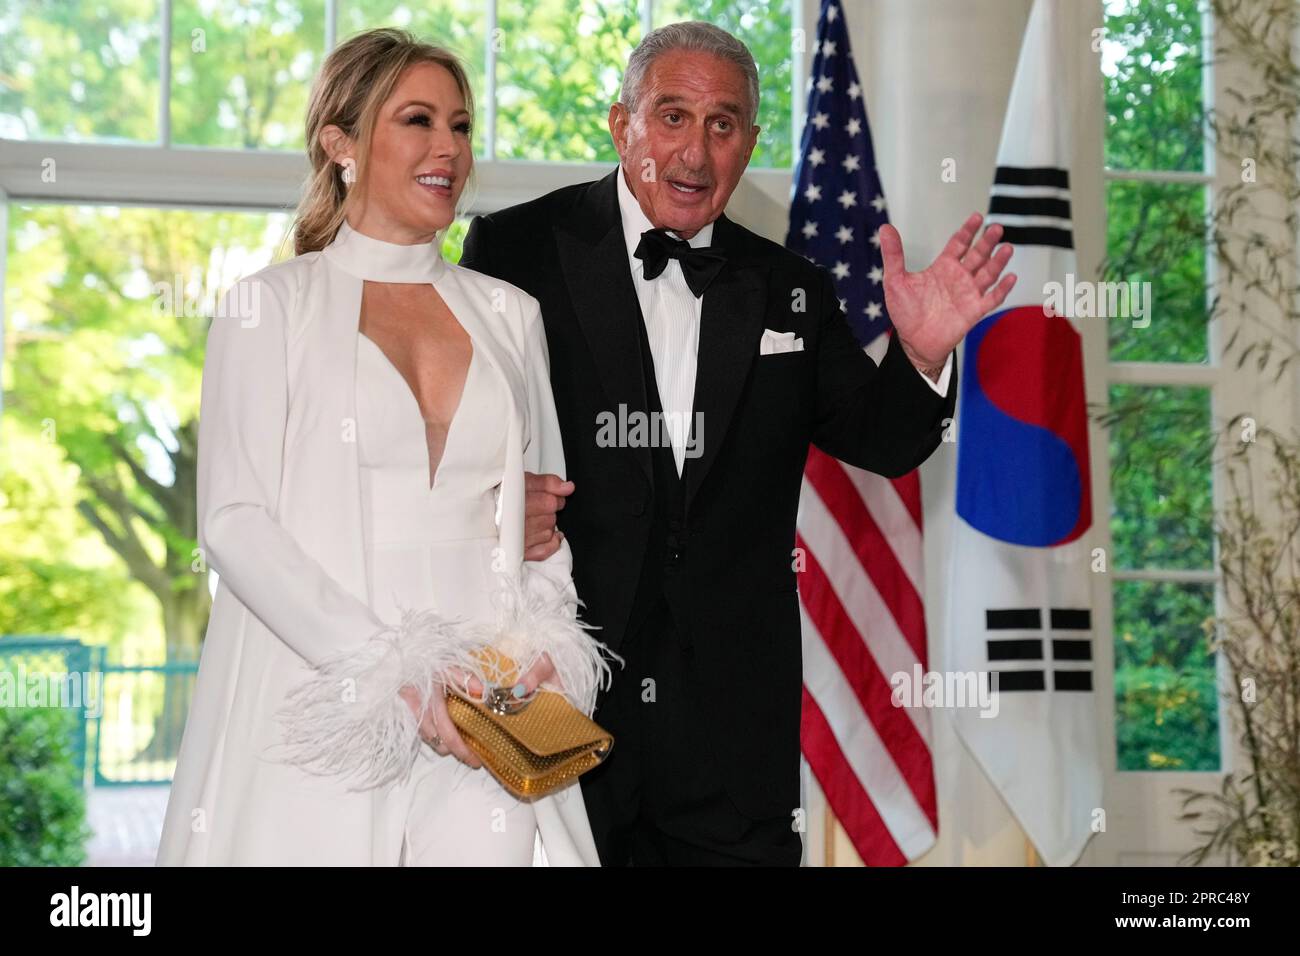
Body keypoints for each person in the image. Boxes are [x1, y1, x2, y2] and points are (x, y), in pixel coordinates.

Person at [460, 21, 1016, 865]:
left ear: (750, 144)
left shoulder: (790, 286)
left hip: (733, 736)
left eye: (723, 125)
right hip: (561, 692)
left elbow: (883, 439)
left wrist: (923, 353)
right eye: (672, 116)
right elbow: (453, 436)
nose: (695, 151)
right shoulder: (516, 250)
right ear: (622, 125)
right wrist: (491, 502)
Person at [157, 28, 612, 867]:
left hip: (488, 714)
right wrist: (402, 677)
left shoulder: (512, 315)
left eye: (462, 125)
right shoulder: (270, 307)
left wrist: (545, 658)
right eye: (418, 120)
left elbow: (542, 521)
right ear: (342, 144)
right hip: (321, 699)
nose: (450, 148)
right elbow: (234, 520)